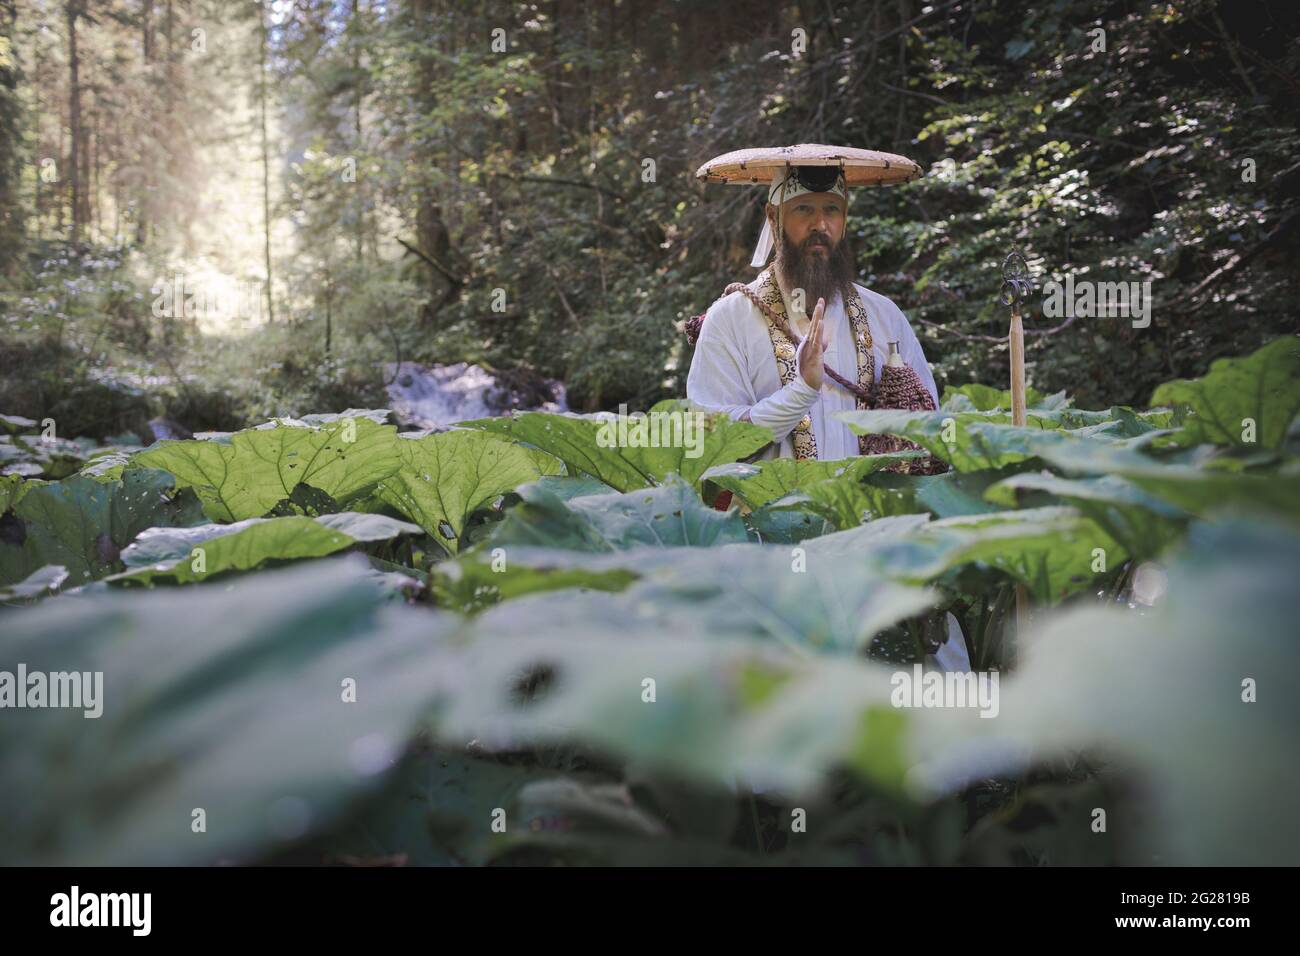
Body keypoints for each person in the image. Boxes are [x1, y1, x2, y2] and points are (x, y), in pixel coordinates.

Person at [687, 164, 938, 461]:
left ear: (844, 220)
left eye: (832, 209)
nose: (820, 224)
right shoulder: (729, 320)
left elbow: (929, 429)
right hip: (769, 507)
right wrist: (801, 391)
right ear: (773, 217)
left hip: (865, 507)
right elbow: (712, 440)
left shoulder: (884, 316)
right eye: (803, 209)